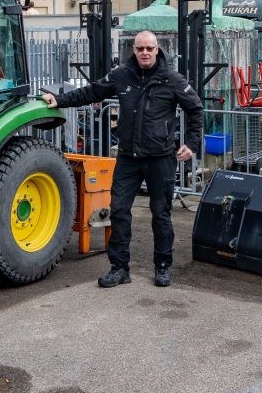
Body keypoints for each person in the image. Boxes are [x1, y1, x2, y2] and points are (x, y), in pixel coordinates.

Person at [41, 30, 202, 288]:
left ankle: (163, 267)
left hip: (160, 159)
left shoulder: (171, 79)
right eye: (140, 49)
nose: (145, 53)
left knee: (160, 214)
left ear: (157, 50)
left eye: (150, 48)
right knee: (118, 211)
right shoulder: (121, 75)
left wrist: (192, 143)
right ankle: (119, 268)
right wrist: (58, 99)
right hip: (128, 158)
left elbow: (195, 109)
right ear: (134, 50)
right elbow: (91, 92)